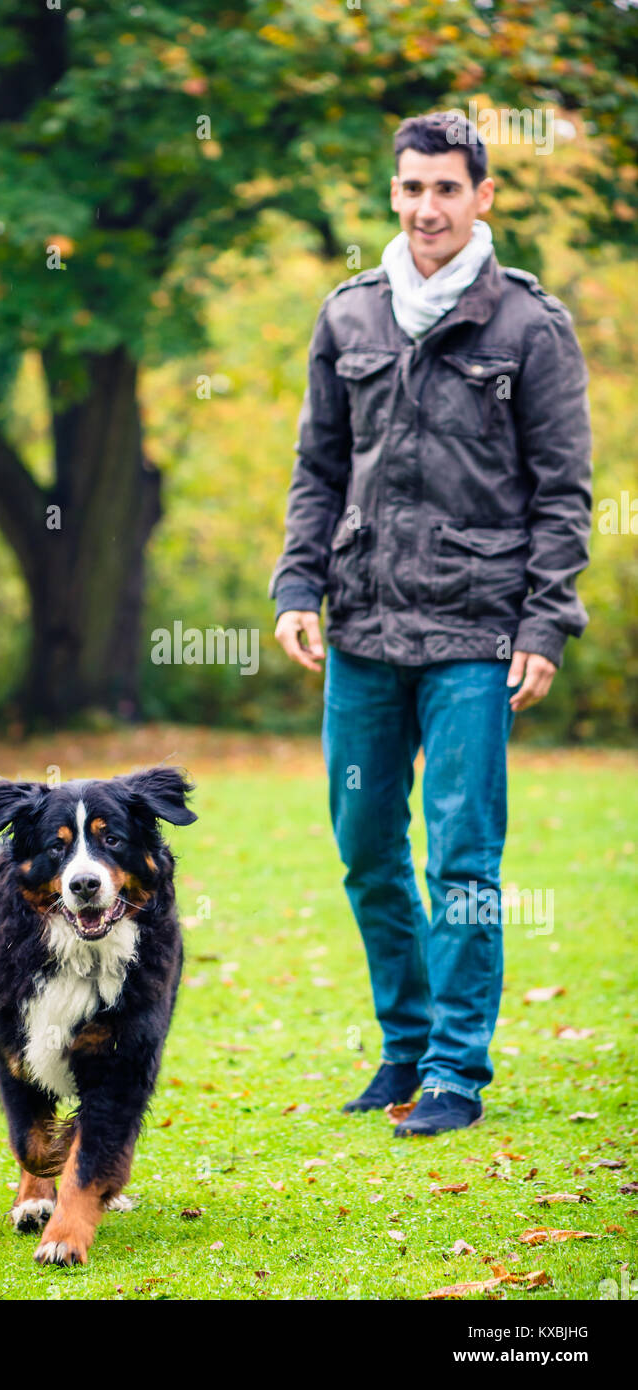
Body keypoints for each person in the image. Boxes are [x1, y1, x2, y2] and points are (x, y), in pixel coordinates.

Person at [269, 110, 592, 1136]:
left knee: (463, 857)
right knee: (366, 844)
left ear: (484, 195)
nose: (427, 207)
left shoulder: (530, 328)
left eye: (447, 188)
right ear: (394, 193)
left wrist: (545, 623)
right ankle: (403, 1046)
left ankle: (456, 1068)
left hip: (474, 637)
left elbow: (564, 493)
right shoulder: (350, 317)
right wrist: (294, 589)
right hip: (361, 629)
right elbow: (318, 469)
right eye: (411, 188)